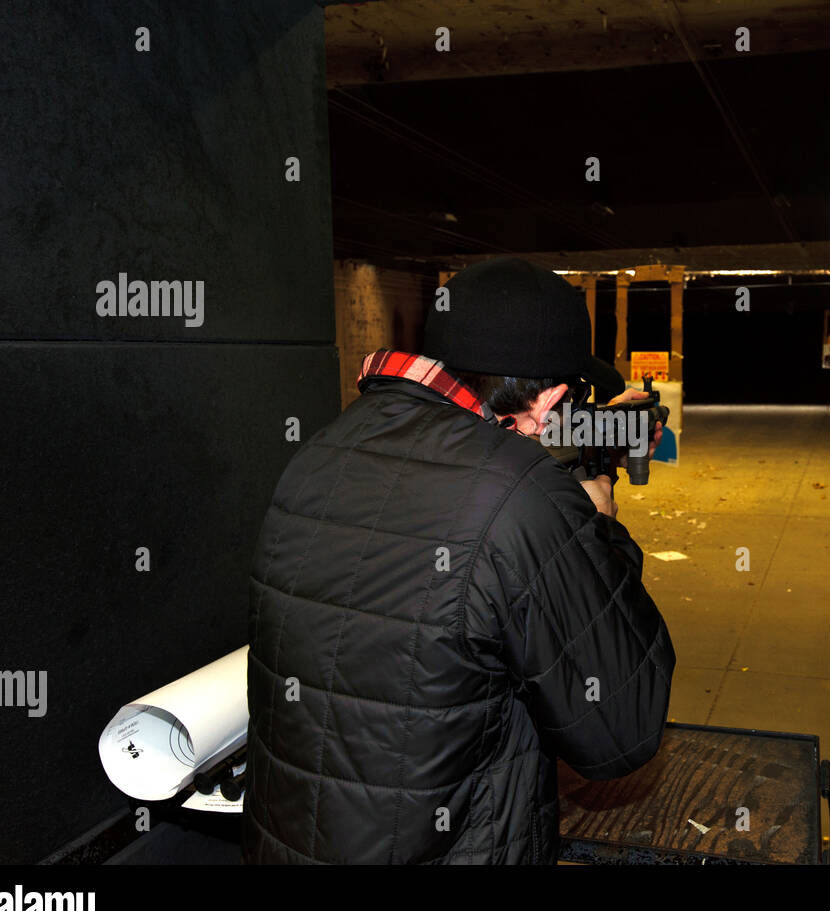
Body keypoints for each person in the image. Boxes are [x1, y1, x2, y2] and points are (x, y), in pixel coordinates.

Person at [241, 256, 676, 864]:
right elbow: (621, 727)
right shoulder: (519, 498)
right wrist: (598, 524)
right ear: (550, 399)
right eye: (573, 398)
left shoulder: (321, 452)